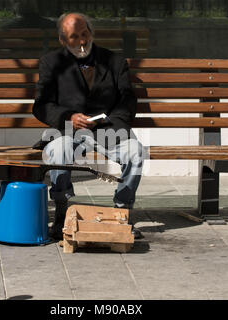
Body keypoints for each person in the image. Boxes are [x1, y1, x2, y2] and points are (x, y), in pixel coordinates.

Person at [33, 12, 144, 240]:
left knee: (137, 152)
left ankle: (122, 211)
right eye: (75, 37)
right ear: (63, 40)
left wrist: (110, 122)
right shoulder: (51, 63)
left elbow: (127, 101)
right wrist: (69, 116)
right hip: (67, 130)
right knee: (57, 151)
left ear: (91, 33)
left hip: (107, 131)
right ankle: (62, 208)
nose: (82, 41)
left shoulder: (114, 61)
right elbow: (41, 105)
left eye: (85, 34)